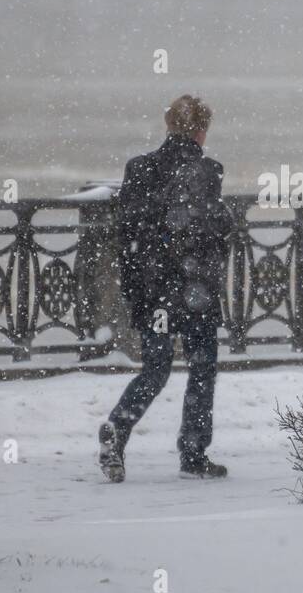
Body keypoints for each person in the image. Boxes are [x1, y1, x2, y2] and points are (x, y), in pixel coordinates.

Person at [99, 95, 233, 482]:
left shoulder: (139, 168)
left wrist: (135, 290)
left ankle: (118, 429)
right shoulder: (207, 171)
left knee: (155, 371)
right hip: (195, 293)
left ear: (170, 126)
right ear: (201, 130)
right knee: (202, 368)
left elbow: (127, 236)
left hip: (154, 292)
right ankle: (193, 454)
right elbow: (209, 230)